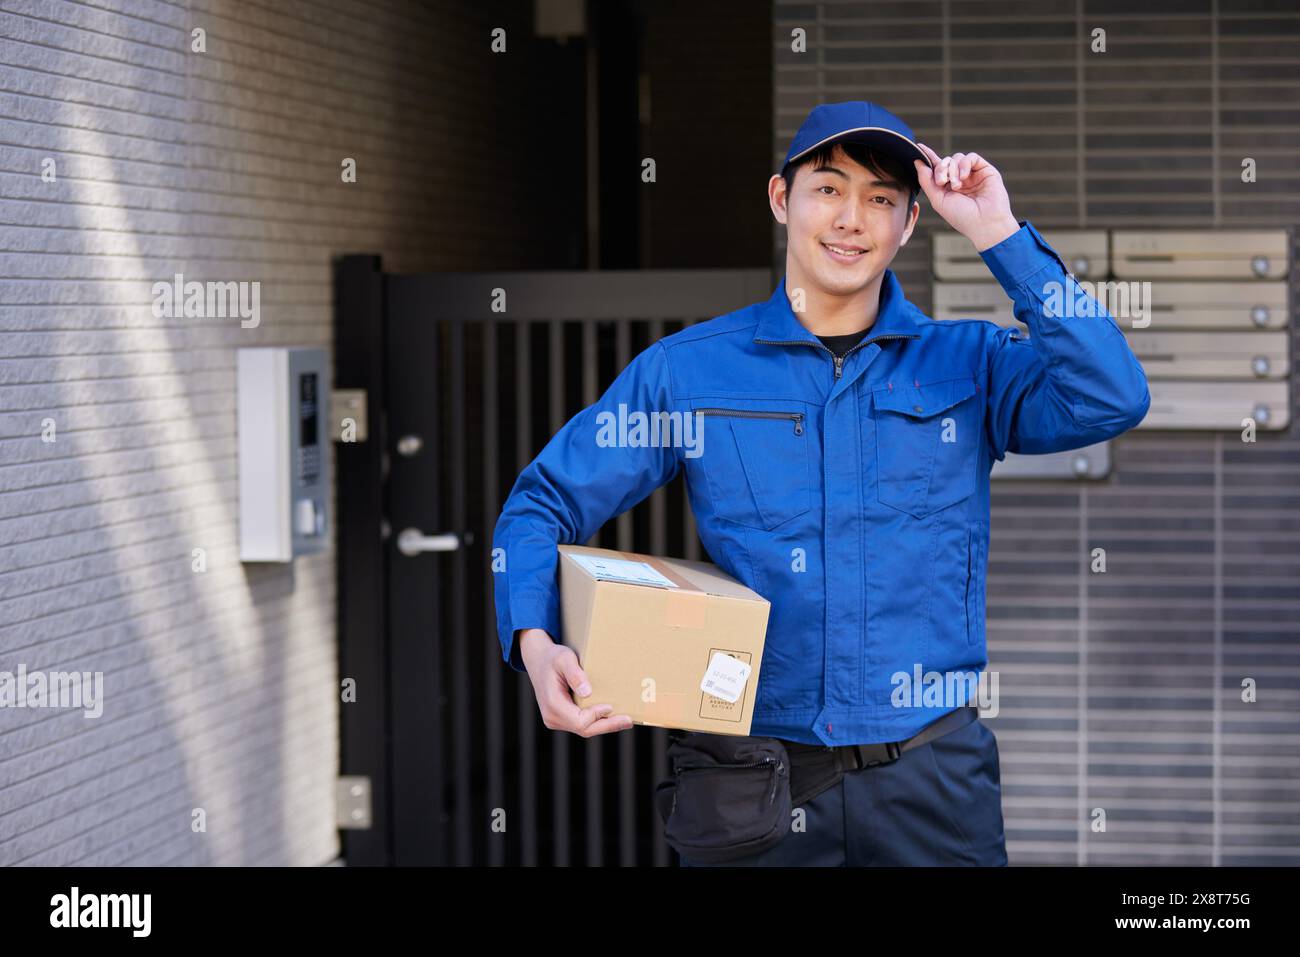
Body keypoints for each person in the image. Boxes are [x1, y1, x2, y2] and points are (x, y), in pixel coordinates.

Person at [491, 101, 1151, 865]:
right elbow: (543, 501)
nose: (851, 219)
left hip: (934, 782)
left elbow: (1111, 393)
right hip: (753, 787)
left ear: (908, 224)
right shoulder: (690, 372)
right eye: (828, 189)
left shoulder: (968, 363)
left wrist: (999, 235)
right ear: (782, 199)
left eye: (880, 199)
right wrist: (535, 640)